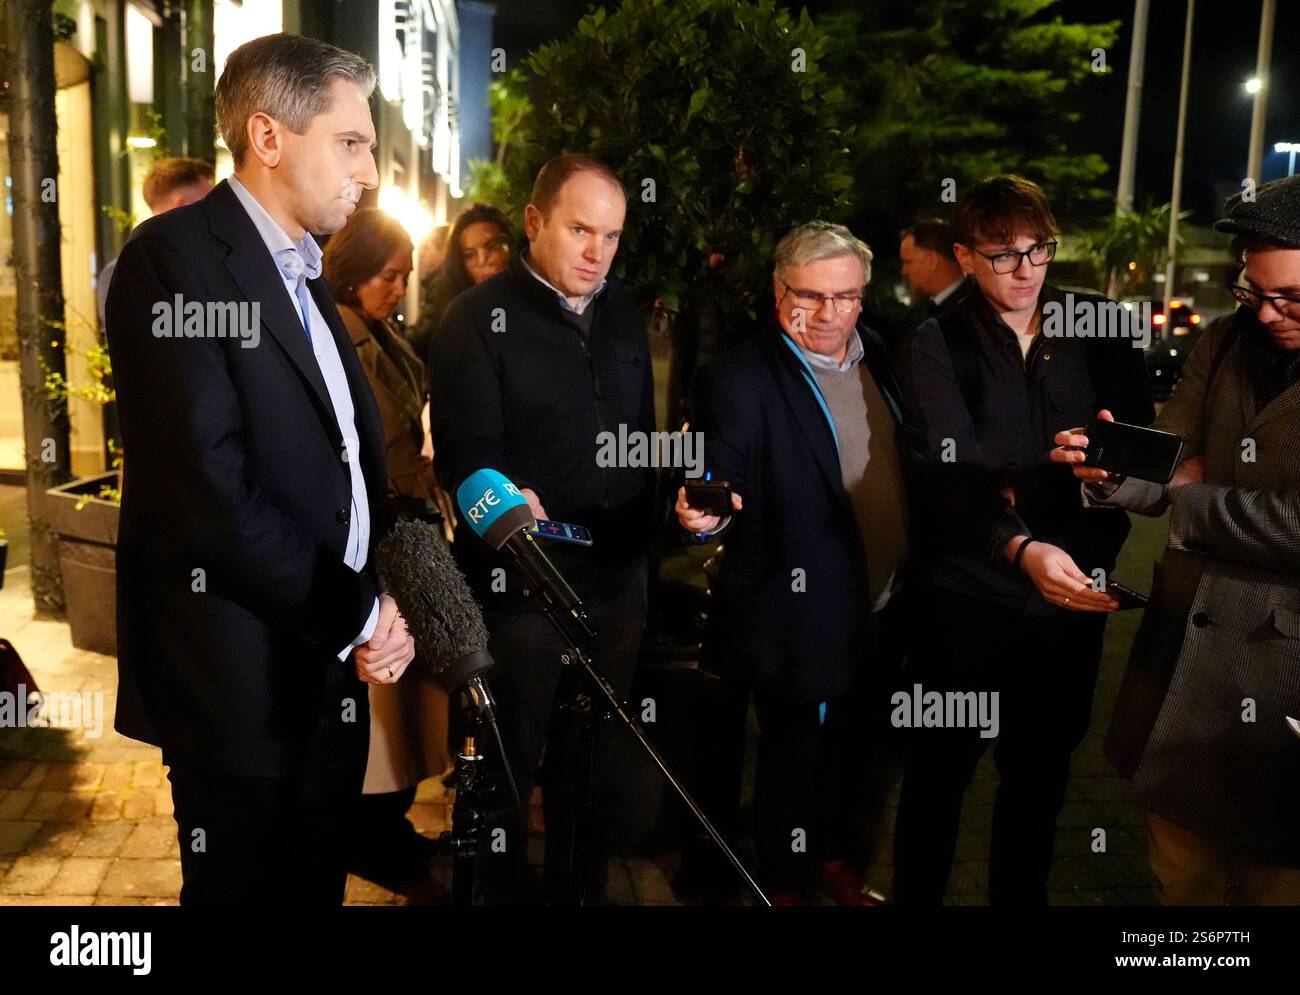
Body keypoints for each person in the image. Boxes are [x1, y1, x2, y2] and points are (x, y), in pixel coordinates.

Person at [105, 33, 414, 905]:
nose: (368, 169)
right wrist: (359, 610)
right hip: (237, 681)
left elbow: (348, 465)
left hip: (328, 666)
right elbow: (207, 491)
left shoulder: (307, 272)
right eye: (349, 143)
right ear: (268, 137)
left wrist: (388, 600)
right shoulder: (173, 260)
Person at [891, 175, 1153, 905]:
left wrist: (1103, 468)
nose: (1027, 270)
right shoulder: (935, 342)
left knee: (1039, 782)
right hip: (964, 605)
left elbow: (1139, 450)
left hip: (1070, 607)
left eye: (1039, 250)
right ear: (966, 256)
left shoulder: (1102, 328)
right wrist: (1018, 541)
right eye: (1004, 254)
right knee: (939, 776)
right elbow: (947, 477)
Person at [1052, 174, 1300, 905]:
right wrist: (1107, 469)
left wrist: (1194, 498)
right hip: (1188, 666)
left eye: (1290, 297)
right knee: (1178, 878)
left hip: (1284, 683)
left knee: (1275, 884)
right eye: (1254, 292)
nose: (1268, 313)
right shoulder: (1225, 340)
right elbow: (1167, 454)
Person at [429, 154, 655, 903]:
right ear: (535, 221)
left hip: (617, 590)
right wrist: (505, 502)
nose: (598, 251)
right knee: (504, 776)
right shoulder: (473, 320)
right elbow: (464, 462)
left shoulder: (623, 311)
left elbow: (637, 436)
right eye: (581, 229)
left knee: (591, 776)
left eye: (613, 235)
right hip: (518, 600)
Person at [676, 221, 909, 905]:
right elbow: (719, 466)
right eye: (812, 295)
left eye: (847, 296)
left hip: (885, 601)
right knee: (794, 762)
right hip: (796, 613)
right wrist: (702, 509)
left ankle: (836, 862)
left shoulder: (880, 355)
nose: (832, 314)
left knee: (859, 750)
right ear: (780, 292)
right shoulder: (740, 377)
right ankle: (785, 882)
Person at [323, 206, 452, 882]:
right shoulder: (342, 340)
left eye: (404, 276)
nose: (398, 288)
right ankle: (371, 833)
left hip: (411, 528)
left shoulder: (377, 332)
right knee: (387, 703)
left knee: (410, 695)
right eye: (388, 275)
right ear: (352, 273)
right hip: (384, 536)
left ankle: (386, 823)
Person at [96, 157, 214, 328]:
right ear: (181, 206)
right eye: (206, 205)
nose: (213, 213)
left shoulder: (206, 264)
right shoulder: (123, 271)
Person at [410, 203, 512, 365]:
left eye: (491, 247)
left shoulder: (531, 303)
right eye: (469, 255)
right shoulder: (456, 313)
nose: (482, 260)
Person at [897, 217, 971, 335]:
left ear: (932, 260)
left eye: (908, 262)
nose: (903, 270)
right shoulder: (915, 316)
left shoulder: (978, 310)